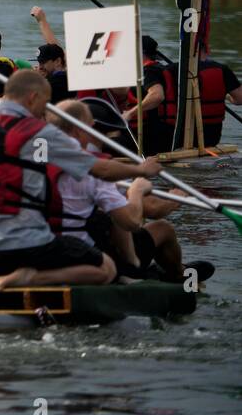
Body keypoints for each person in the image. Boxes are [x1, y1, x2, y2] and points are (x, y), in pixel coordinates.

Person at [0, 52, 161, 300]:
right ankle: (29, 277)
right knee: (106, 268)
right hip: (23, 243)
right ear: (33, 98)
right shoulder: (40, 133)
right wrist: (141, 170)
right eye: (45, 102)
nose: (45, 110)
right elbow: (102, 169)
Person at [48, 100, 207, 282]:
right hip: (86, 249)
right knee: (164, 229)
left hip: (42, 245)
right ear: (80, 130)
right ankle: (179, 278)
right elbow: (143, 214)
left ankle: (142, 267)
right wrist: (167, 197)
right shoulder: (99, 168)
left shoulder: (35, 157)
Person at [123, 35, 178, 155]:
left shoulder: (148, 72)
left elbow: (157, 96)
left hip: (151, 133)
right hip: (167, 131)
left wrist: (130, 113)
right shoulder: (161, 68)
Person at [198, 56, 242, 148]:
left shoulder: (174, 70)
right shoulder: (222, 69)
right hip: (212, 132)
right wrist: (226, 96)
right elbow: (239, 99)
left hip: (177, 130)